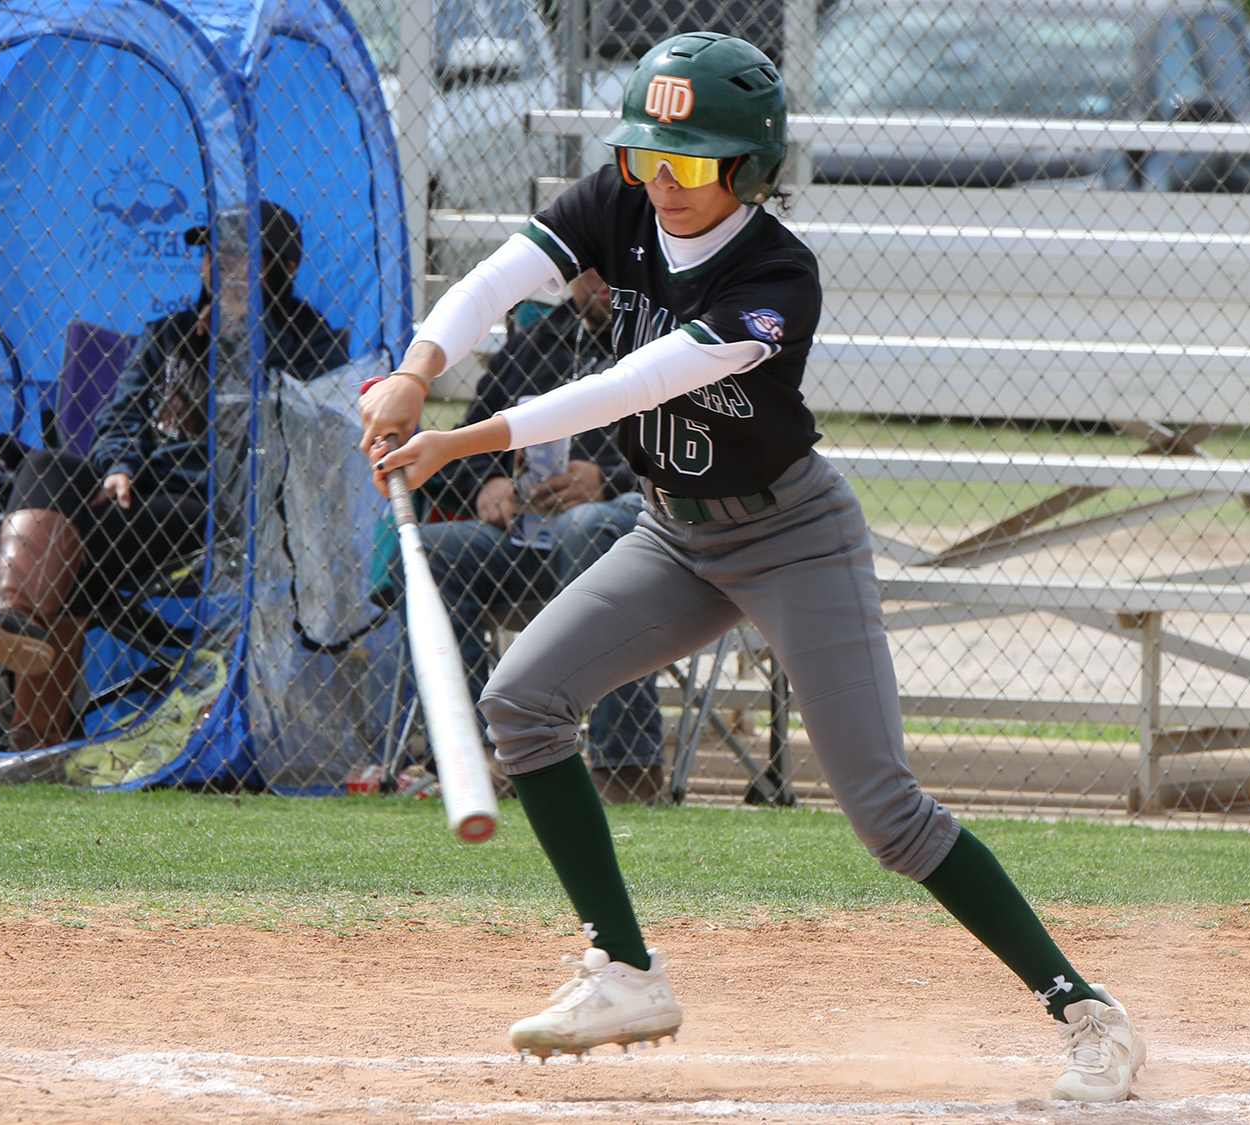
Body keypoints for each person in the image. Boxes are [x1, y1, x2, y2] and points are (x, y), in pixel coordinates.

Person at [359, 32, 1146, 1103]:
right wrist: (415, 371)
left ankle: (1084, 1013)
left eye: (693, 164)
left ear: (748, 169)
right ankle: (624, 970)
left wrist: (461, 437)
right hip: (673, 535)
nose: (664, 184)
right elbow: (499, 278)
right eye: (649, 159)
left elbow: (633, 387)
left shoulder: (777, 276)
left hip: (791, 538)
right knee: (524, 703)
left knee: (884, 812)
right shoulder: (619, 201)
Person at [0, 201, 348, 754]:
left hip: (221, 509)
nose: (219, 268)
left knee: (70, 562)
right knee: (47, 465)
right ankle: (13, 621)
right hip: (139, 498)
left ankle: (35, 742)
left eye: (238, 259)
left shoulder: (314, 341)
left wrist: (244, 338)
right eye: (212, 256)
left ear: (280, 268)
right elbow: (119, 418)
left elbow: (305, 427)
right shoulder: (168, 334)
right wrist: (120, 466)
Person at [420, 269, 666, 804]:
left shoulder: (660, 338)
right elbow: (469, 442)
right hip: (524, 544)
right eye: (589, 269)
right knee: (432, 550)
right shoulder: (533, 343)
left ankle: (627, 766)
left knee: (589, 526)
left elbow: (689, 454)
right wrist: (486, 483)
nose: (601, 280)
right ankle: (474, 757)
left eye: (612, 266)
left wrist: (606, 481)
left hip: (628, 532)